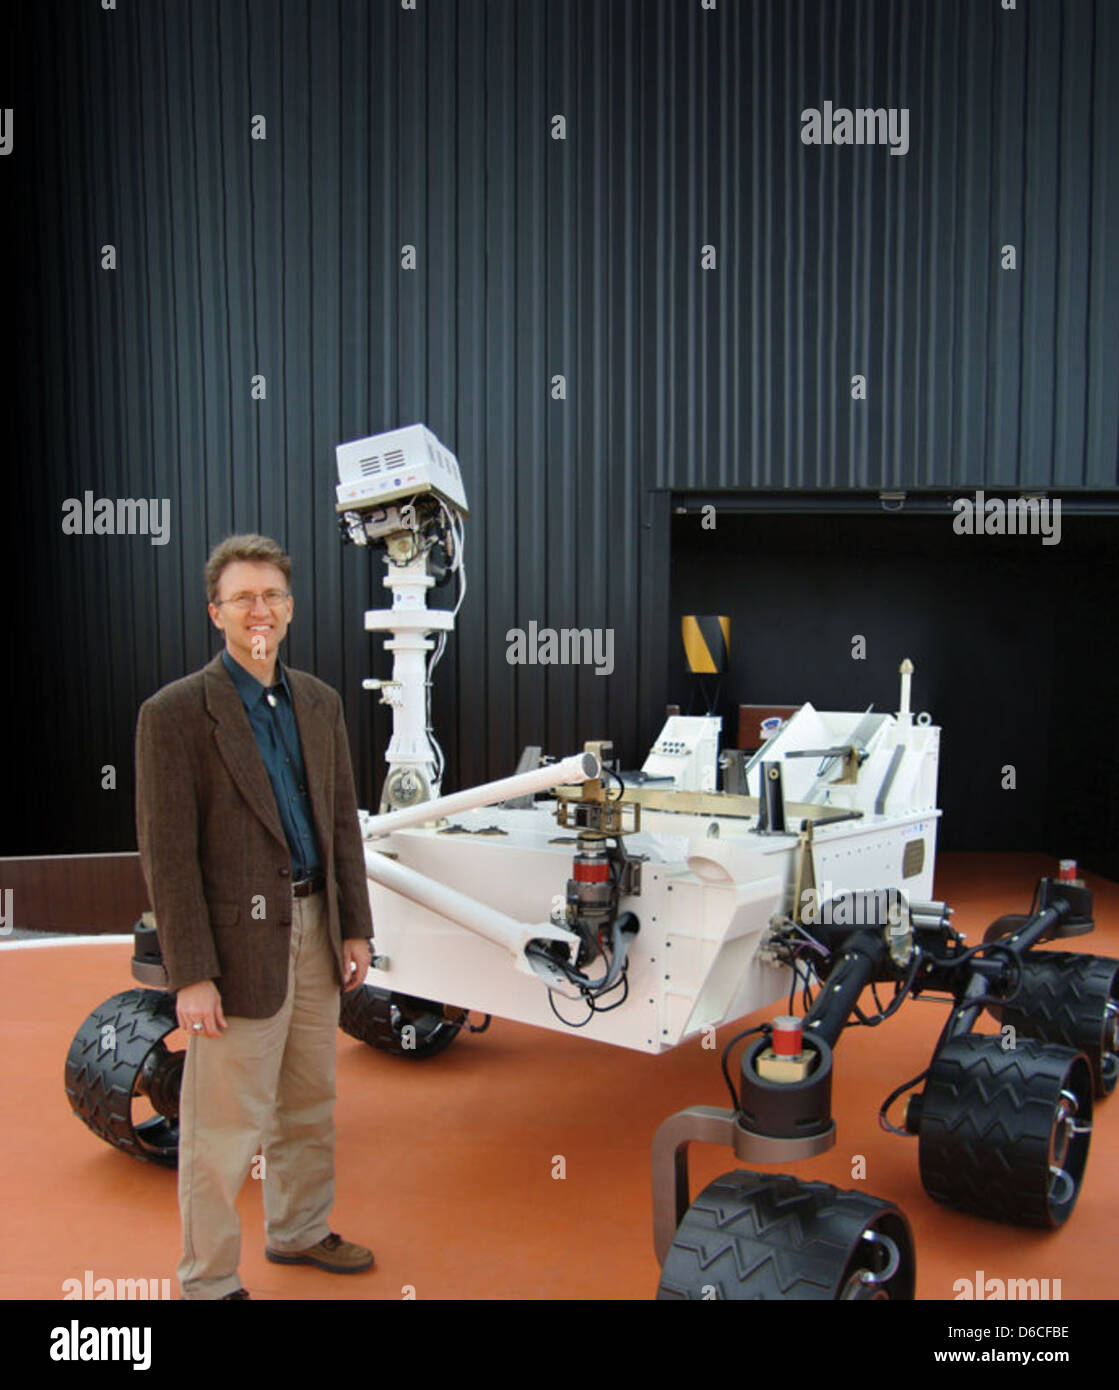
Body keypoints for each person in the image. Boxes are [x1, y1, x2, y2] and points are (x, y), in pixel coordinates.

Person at [135, 532, 375, 1300]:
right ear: (217, 613)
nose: (259, 608)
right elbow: (167, 858)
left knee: (309, 1103)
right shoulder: (173, 715)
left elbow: (341, 824)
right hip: (235, 948)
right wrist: (191, 976)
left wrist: (354, 926)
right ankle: (206, 1279)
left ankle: (299, 1231)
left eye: (271, 594)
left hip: (314, 930)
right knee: (222, 1128)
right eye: (243, 597)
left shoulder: (320, 702)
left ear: (290, 608)